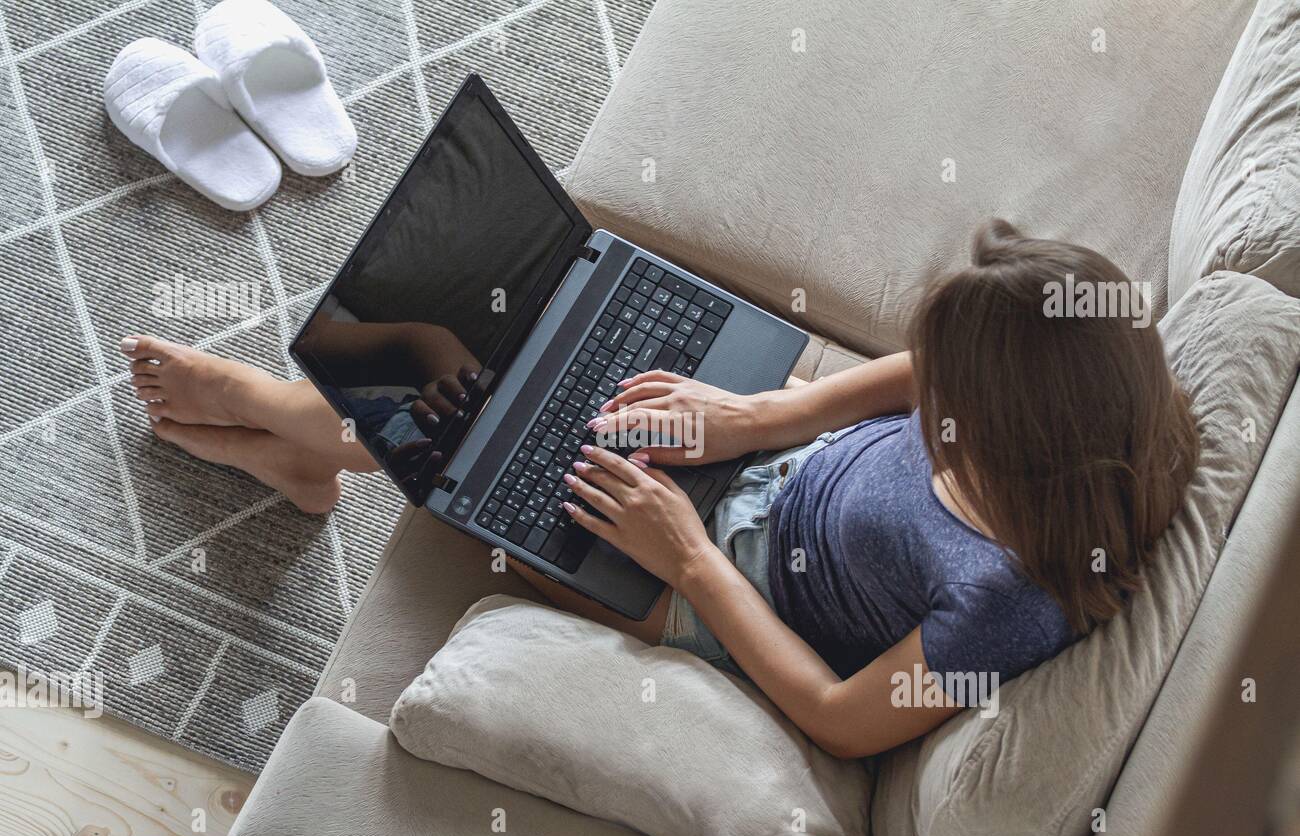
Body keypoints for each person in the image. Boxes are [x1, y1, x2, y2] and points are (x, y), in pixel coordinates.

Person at [120, 220, 1198, 757]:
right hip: (776, 467)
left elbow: (836, 716)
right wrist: (754, 415)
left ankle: (290, 427)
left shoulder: (1011, 598)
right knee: (532, 361)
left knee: (473, 448)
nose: (934, 407)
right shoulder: (1098, 400)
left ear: (1015, 438)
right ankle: (305, 449)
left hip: (729, 599)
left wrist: (683, 551)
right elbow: (924, 369)